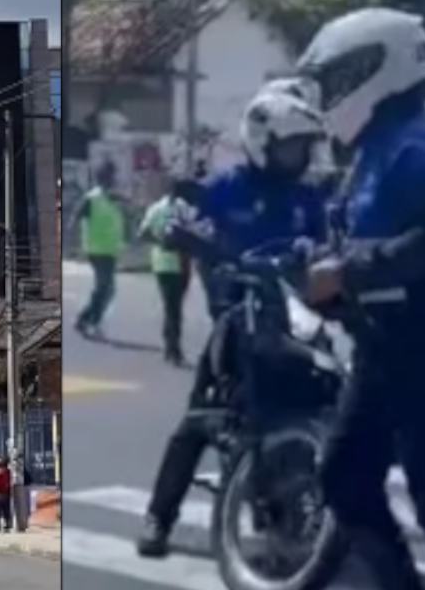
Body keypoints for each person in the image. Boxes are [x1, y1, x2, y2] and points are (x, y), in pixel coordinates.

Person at [297, 7, 425, 590]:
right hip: (383, 347)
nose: (333, 93)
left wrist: (347, 271)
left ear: (379, 71)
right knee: (344, 475)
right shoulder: (369, 154)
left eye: (342, 76)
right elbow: (355, 245)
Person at [136, 83, 331, 557]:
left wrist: (321, 255)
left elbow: (327, 247)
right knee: (197, 423)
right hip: (237, 317)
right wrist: (173, 230)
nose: (298, 155)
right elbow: (179, 218)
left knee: (332, 397)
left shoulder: (308, 198)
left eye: (303, 146)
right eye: (290, 145)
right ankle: (158, 518)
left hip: (295, 317)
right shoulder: (227, 186)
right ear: (262, 141)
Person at [138, 178, 194, 364]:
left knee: (171, 307)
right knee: (175, 308)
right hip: (179, 262)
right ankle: (174, 349)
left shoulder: (155, 208)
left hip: (162, 263)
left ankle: (170, 346)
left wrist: (159, 242)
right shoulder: (184, 208)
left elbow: (143, 233)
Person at [71, 162, 126, 338]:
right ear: (104, 178)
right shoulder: (91, 198)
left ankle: (85, 320)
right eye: (111, 176)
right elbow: (74, 219)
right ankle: (91, 322)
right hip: (97, 250)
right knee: (105, 287)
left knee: (106, 289)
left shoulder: (111, 198)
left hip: (109, 251)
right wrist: (73, 244)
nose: (114, 179)